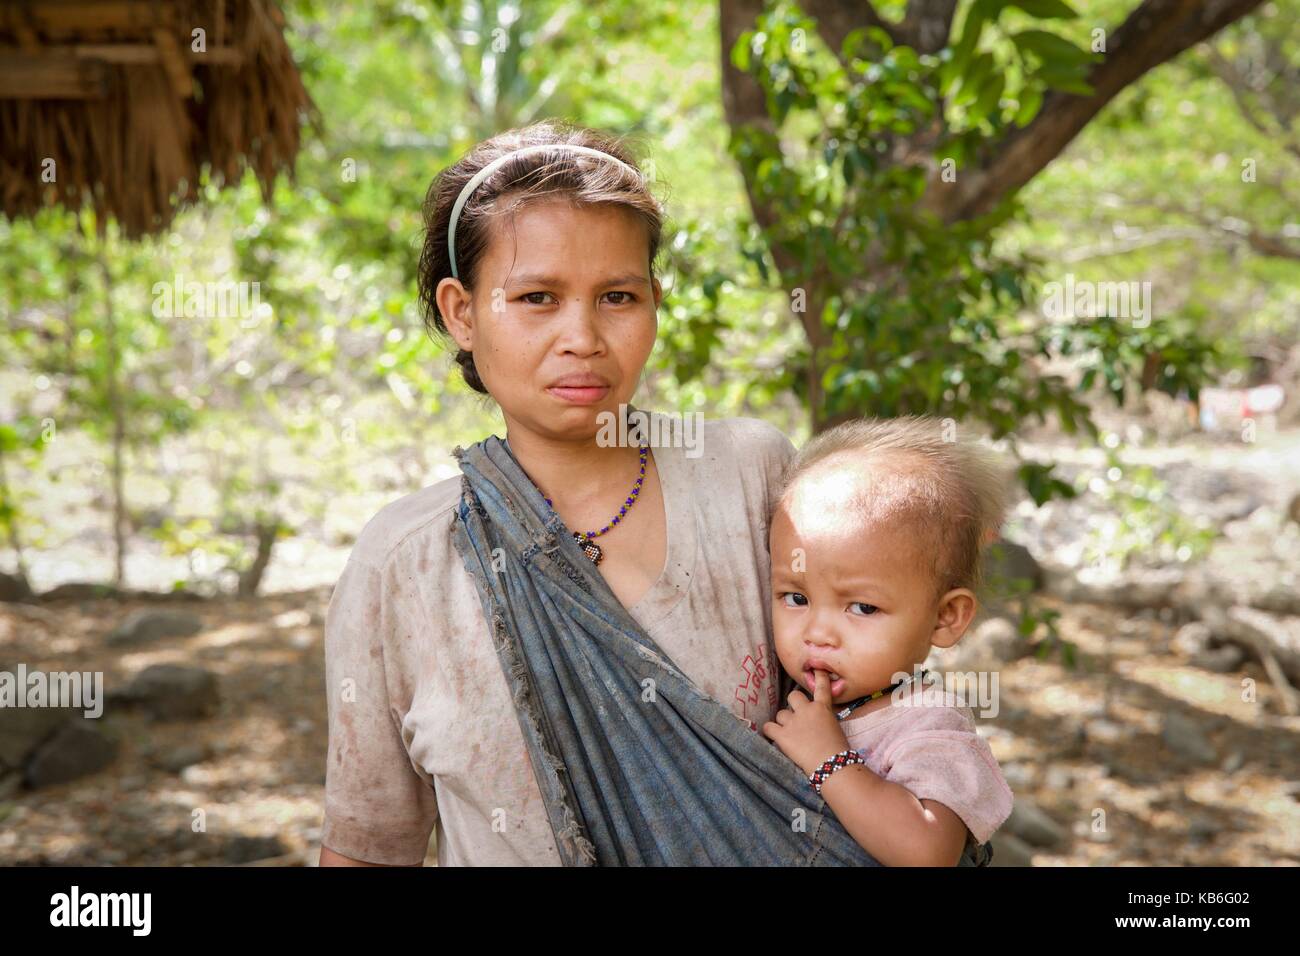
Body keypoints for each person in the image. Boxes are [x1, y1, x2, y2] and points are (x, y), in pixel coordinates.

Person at [319, 120, 795, 866]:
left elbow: (881, 729)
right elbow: (369, 849)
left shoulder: (746, 477)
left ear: (654, 303)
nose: (583, 335)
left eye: (617, 296)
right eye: (537, 296)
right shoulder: (404, 563)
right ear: (461, 312)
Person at [761, 416, 1015, 866]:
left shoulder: (930, 727)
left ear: (945, 618)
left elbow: (927, 852)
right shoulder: (781, 690)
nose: (817, 633)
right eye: (796, 597)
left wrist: (830, 759)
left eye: (862, 608)